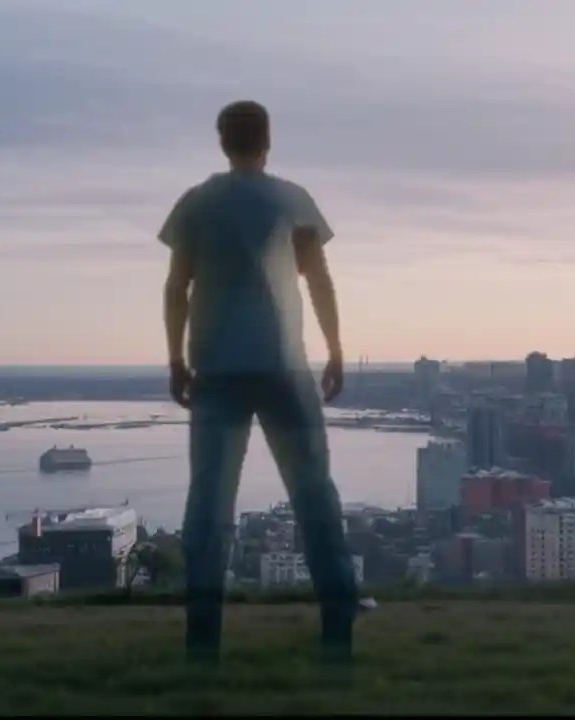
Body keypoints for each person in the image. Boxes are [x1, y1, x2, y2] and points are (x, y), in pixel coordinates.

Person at [159, 100, 359, 666]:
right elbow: (318, 278)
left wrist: (175, 359)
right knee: (314, 494)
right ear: (267, 141)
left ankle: (202, 641)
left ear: (222, 142)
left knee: (209, 505)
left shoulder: (195, 204)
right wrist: (337, 346)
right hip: (283, 365)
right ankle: (338, 627)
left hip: (216, 368)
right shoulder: (290, 199)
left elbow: (177, 288)